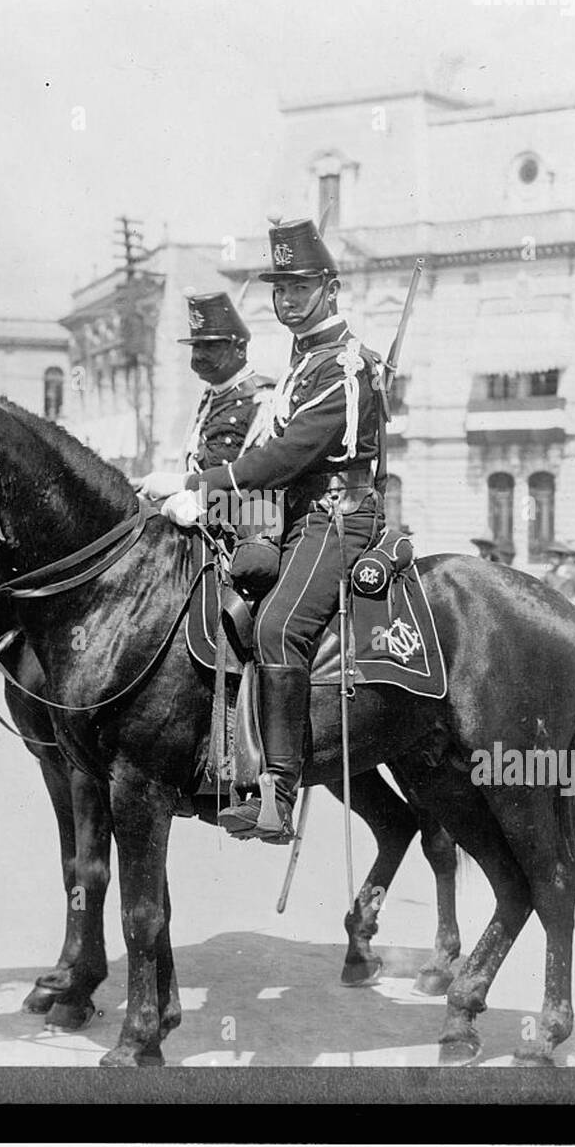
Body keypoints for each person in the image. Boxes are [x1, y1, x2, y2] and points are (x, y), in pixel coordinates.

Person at [138, 216, 385, 843]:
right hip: (294, 515)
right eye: (281, 288)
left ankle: (275, 792)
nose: (289, 299)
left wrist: (200, 489)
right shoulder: (304, 363)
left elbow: (285, 456)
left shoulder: (347, 366)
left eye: (301, 286)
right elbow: (273, 464)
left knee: (279, 626)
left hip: (337, 516)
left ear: (330, 288)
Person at [177, 291, 274, 473]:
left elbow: (255, 476)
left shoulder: (262, 399)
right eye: (196, 346)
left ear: (239, 349)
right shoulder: (208, 400)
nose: (199, 355)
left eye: (211, 346)